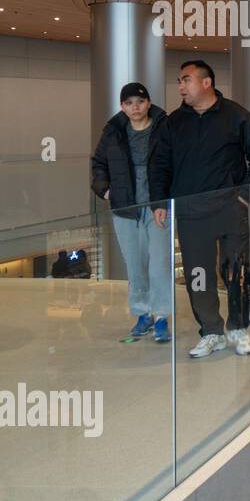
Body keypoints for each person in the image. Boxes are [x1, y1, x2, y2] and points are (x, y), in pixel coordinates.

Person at [149, 60, 250, 359]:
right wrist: (159, 202)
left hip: (230, 210)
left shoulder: (236, 115)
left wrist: (245, 196)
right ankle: (212, 332)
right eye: (179, 81)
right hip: (191, 214)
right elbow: (159, 165)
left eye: (186, 80)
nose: (180, 86)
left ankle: (239, 328)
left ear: (206, 83)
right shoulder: (173, 122)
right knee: (198, 275)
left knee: (237, 270)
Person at [90, 81, 171, 343]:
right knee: (135, 266)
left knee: (159, 264)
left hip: (158, 207)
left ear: (148, 103)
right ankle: (142, 313)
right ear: (122, 107)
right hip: (125, 210)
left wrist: (168, 198)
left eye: (140, 101)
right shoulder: (113, 132)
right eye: (129, 103)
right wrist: (104, 190)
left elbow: (176, 161)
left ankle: (161, 317)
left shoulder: (164, 127)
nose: (135, 107)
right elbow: (98, 163)